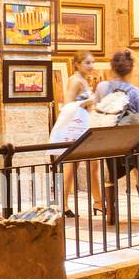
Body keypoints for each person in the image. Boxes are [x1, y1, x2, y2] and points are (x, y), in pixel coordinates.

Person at [92, 49, 139, 224]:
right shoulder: (135, 92)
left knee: (110, 175)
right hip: (130, 141)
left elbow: (96, 108)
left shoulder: (102, 87)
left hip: (108, 138)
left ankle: (111, 213)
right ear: (131, 69)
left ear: (112, 68)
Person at [49, 50, 98, 215]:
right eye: (87, 63)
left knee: (86, 164)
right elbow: (69, 104)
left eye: (92, 62)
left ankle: (96, 201)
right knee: (72, 164)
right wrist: (88, 101)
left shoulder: (84, 80)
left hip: (84, 126)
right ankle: (63, 204)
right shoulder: (75, 80)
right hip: (75, 128)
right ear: (77, 64)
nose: (91, 66)